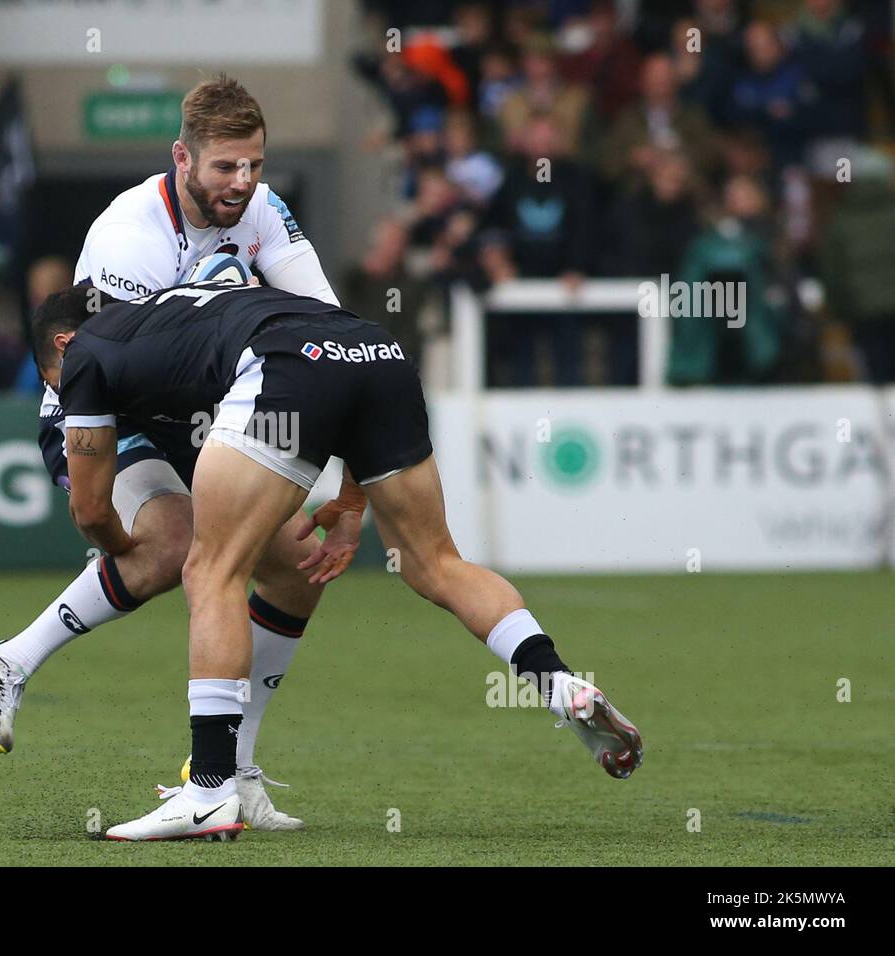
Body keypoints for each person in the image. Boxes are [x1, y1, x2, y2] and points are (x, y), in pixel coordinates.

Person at [33, 277, 644, 841]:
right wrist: (351, 505)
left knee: (211, 568)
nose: (62, 393)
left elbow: (90, 511)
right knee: (435, 562)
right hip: (376, 352)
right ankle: (557, 681)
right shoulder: (178, 307)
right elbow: (329, 366)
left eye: (54, 381)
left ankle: (210, 788)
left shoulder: (87, 354)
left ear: (64, 343)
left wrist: (123, 551)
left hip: (287, 368)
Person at [0, 74, 353, 832]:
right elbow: (108, 374)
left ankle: (234, 768)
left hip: (196, 409)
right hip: (103, 407)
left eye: (254, 166)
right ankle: (7, 662)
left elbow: (322, 319)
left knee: (298, 560)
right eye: (225, 168)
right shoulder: (127, 239)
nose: (243, 184)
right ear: (182, 157)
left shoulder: (263, 210)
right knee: (175, 542)